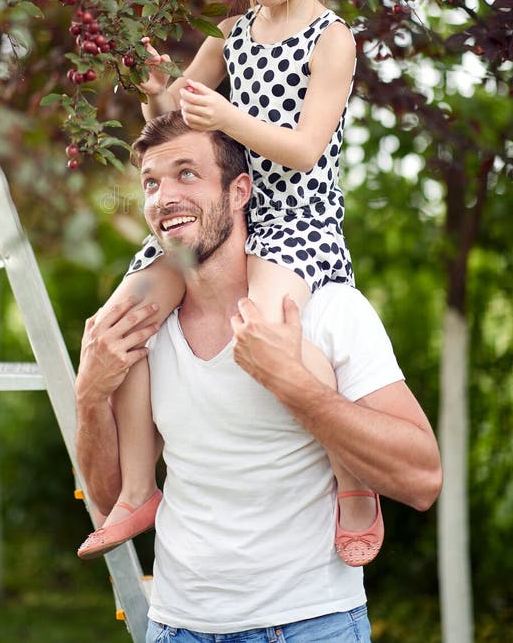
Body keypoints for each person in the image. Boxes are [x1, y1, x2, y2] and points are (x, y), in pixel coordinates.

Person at [78, 0, 377, 563]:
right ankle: (134, 491)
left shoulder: (332, 41)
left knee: (270, 326)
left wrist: (228, 116)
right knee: (126, 318)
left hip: (297, 218)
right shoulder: (231, 34)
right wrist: (154, 86)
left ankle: (352, 479)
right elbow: (174, 121)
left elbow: (304, 149)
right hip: (225, 215)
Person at [75, 113, 443, 642]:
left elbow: (423, 480)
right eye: (151, 182)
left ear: (240, 190)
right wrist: (89, 395)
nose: (164, 196)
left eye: (187, 174)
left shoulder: (327, 310)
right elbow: (109, 498)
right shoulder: (143, 330)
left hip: (312, 626)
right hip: (177, 627)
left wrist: (296, 386)